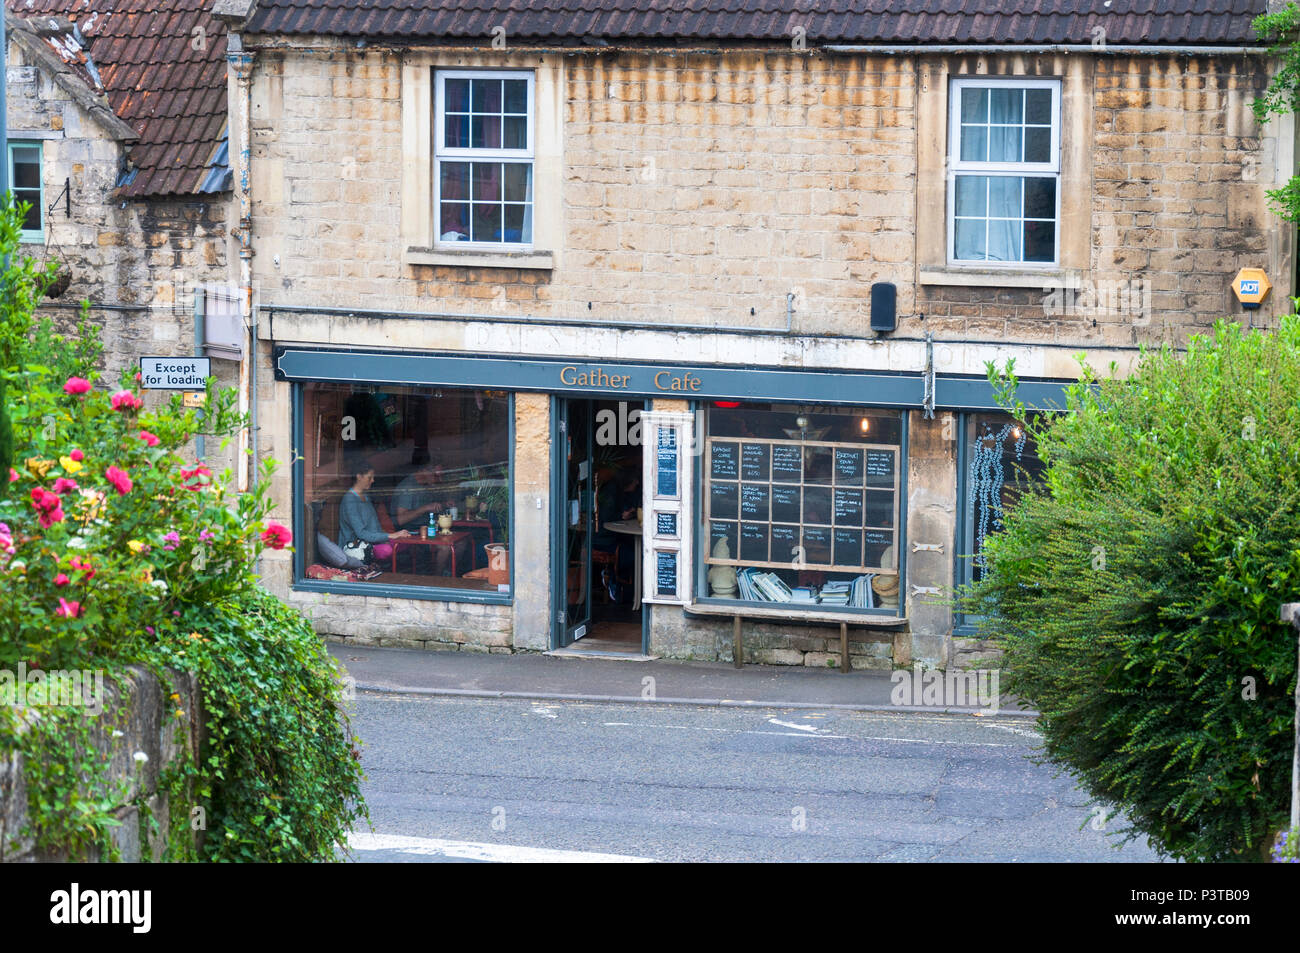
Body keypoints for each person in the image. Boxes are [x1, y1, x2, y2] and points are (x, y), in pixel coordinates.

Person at [338, 462, 411, 564]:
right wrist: (390, 536)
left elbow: (374, 526)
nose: (373, 480)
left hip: (372, 542)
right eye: (370, 477)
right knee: (387, 550)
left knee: (406, 542)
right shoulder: (350, 500)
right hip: (357, 547)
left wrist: (389, 537)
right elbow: (361, 533)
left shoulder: (365, 496)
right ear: (359, 477)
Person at [392, 462, 447, 532]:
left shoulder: (425, 485)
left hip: (425, 528)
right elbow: (401, 519)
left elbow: (431, 508)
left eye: (442, 476)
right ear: (425, 472)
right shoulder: (408, 487)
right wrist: (425, 508)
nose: (440, 480)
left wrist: (444, 504)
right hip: (408, 532)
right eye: (436, 476)